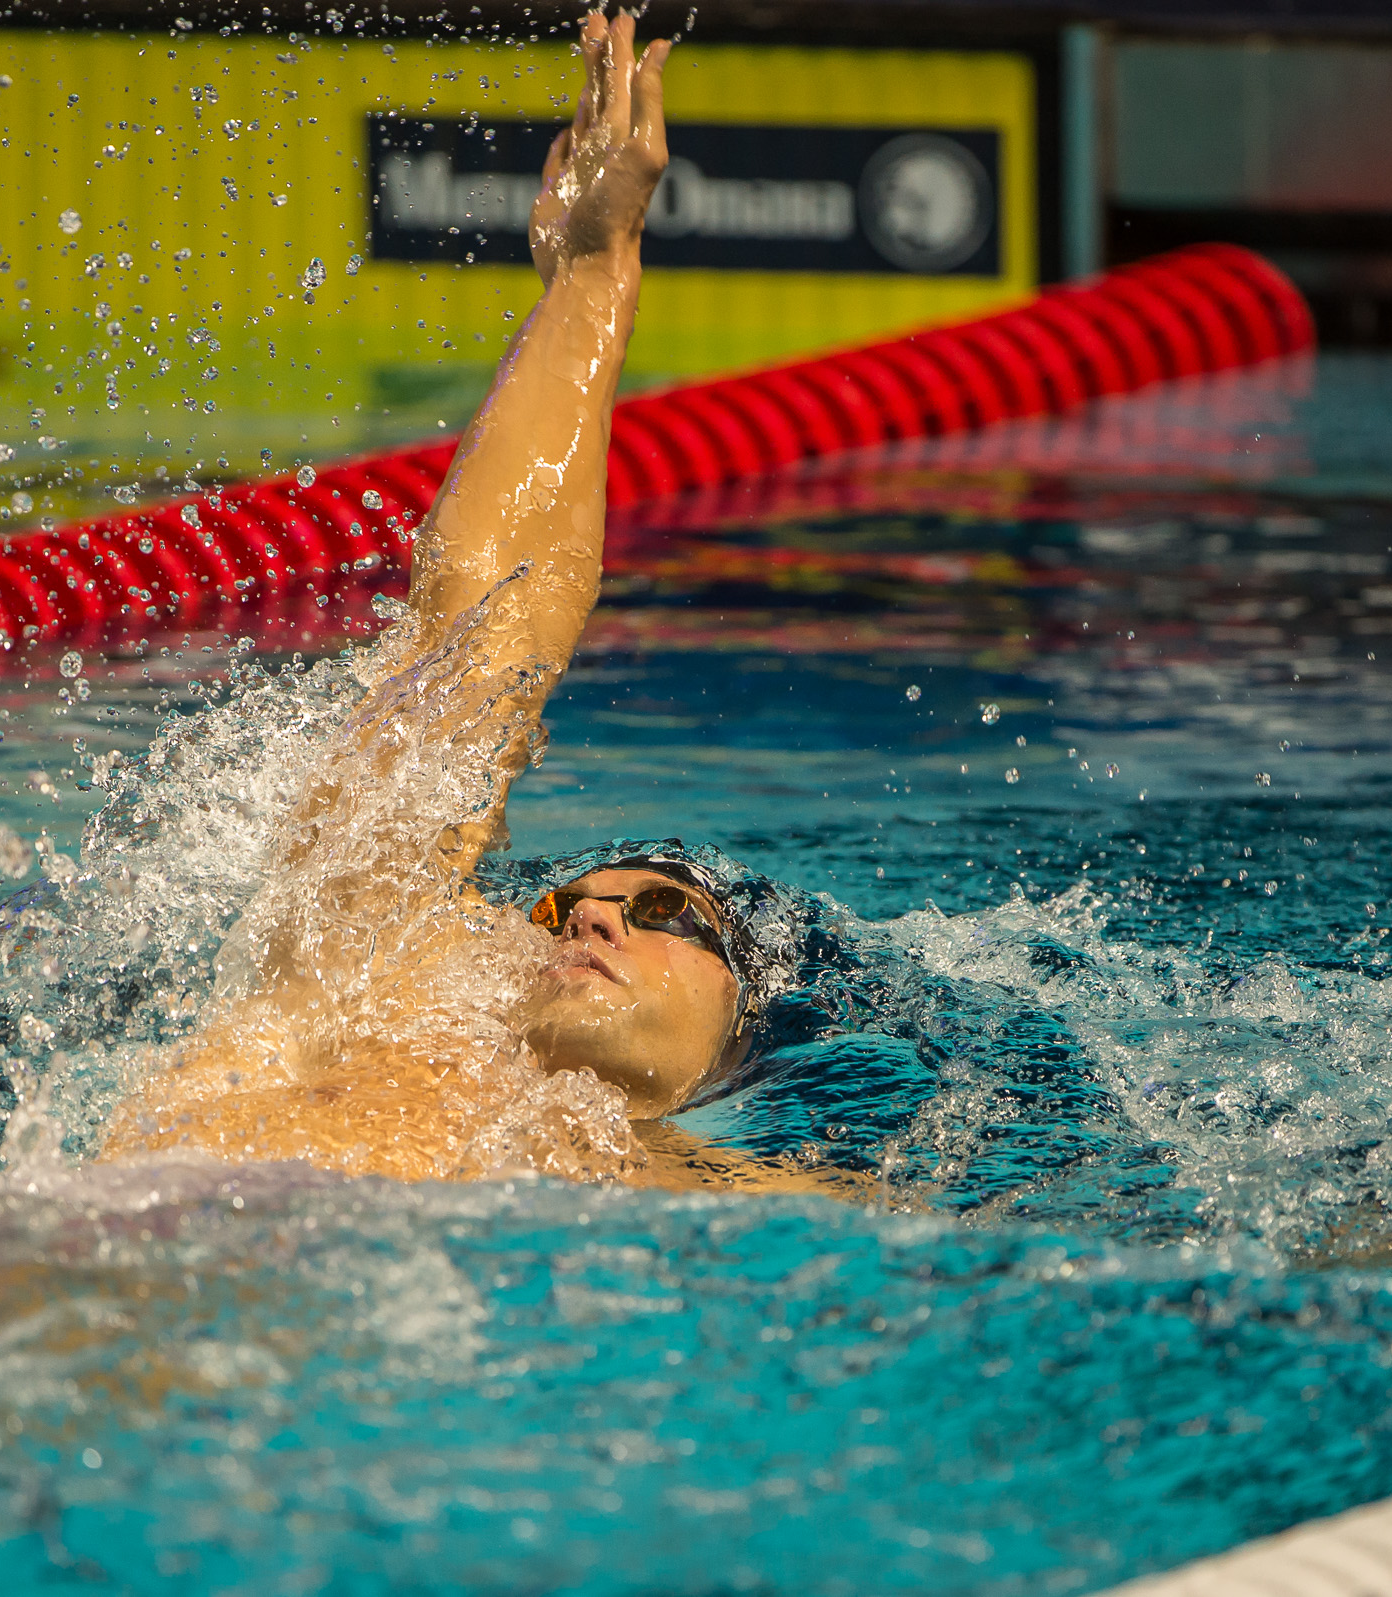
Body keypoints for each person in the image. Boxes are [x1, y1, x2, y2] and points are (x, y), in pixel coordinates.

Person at [97, 14, 859, 1197]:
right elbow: (485, 621)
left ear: (738, 1034)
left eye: (665, 914)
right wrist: (595, 275)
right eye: (564, 907)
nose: (590, 926)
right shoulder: (372, 978)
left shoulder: (728, 1198)